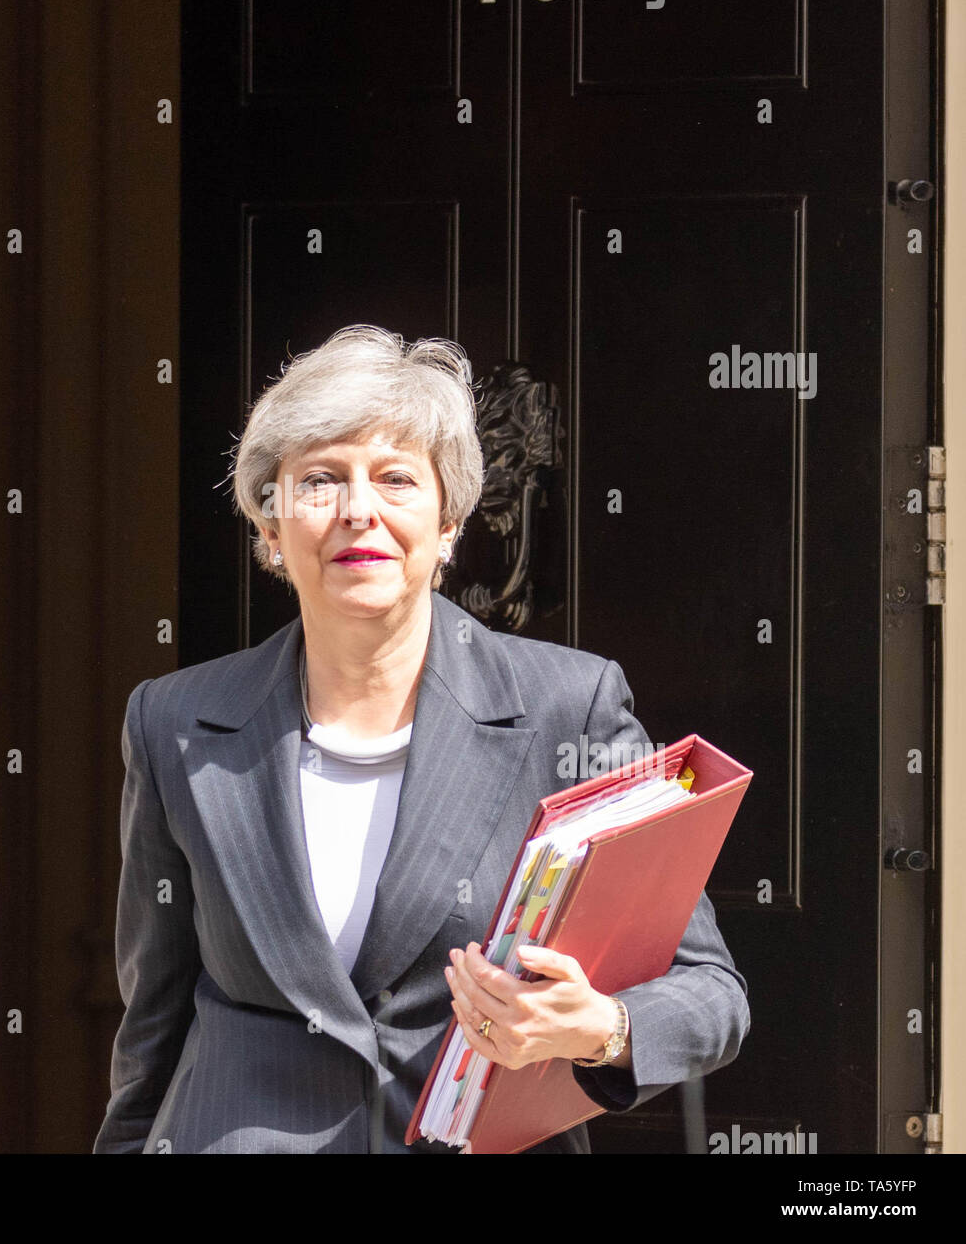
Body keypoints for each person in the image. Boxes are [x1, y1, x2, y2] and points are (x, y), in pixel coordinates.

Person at [92, 324, 749, 1154]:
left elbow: (711, 994)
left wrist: (602, 1026)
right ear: (269, 528)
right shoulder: (174, 722)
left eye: (395, 478)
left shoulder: (568, 707)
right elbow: (153, 1023)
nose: (358, 509)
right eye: (320, 481)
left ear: (448, 525)